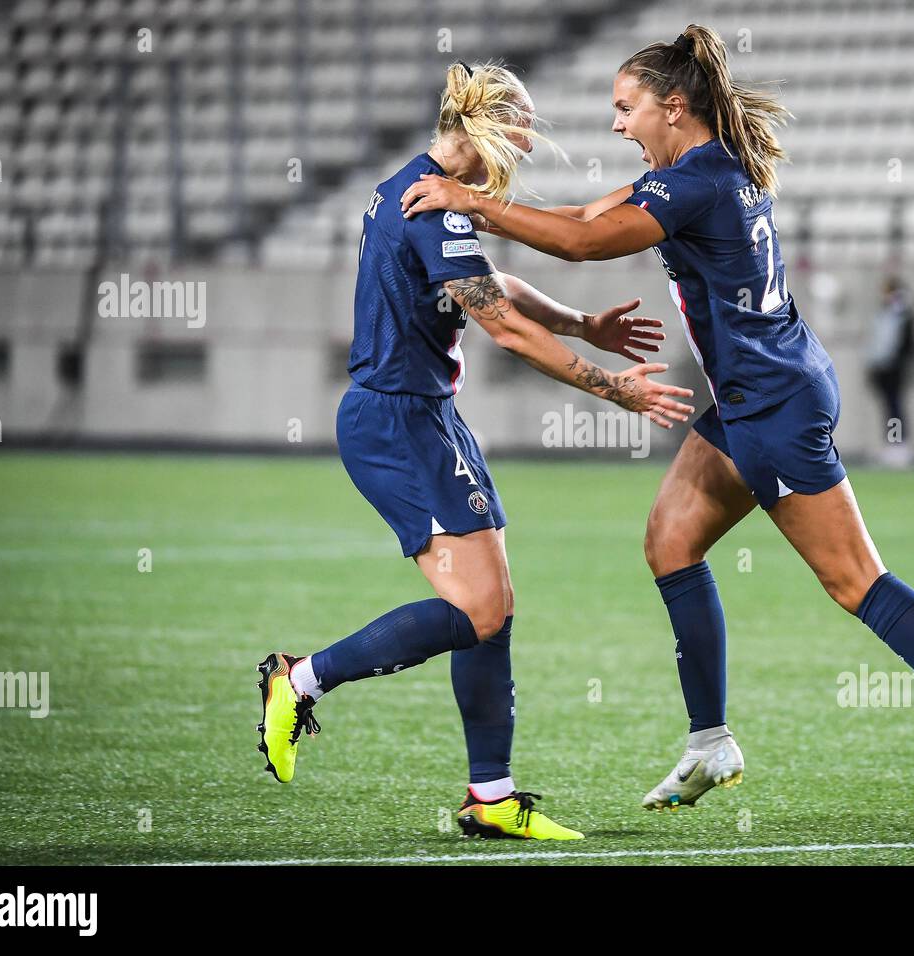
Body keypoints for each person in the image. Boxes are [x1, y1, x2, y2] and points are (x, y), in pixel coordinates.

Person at [400, 27, 914, 823]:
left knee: (855, 582)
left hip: (772, 406)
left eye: (625, 107)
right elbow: (579, 215)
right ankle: (710, 743)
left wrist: (470, 202)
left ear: (674, 108)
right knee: (670, 542)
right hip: (756, 394)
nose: (616, 125)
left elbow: (587, 242)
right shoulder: (704, 169)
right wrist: (490, 214)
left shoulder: (693, 183)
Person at [256, 60, 694, 841]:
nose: (523, 148)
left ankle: (491, 796)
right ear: (484, 126)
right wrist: (613, 387)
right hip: (397, 422)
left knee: (493, 611)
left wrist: (581, 324)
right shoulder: (431, 208)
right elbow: (502, 326)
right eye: (519, 130)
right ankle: (301, 680)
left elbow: (490, 288)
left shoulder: (423, 190)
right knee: (481, 608)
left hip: (424, 416)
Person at [866, 276, 914, 468]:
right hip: (884, 366)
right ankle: (893, 444)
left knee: (894, 407)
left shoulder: (900, 313)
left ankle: (898, 445)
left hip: (894, 367)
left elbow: (900, 342)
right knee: (890, 407)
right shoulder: (887, 312)